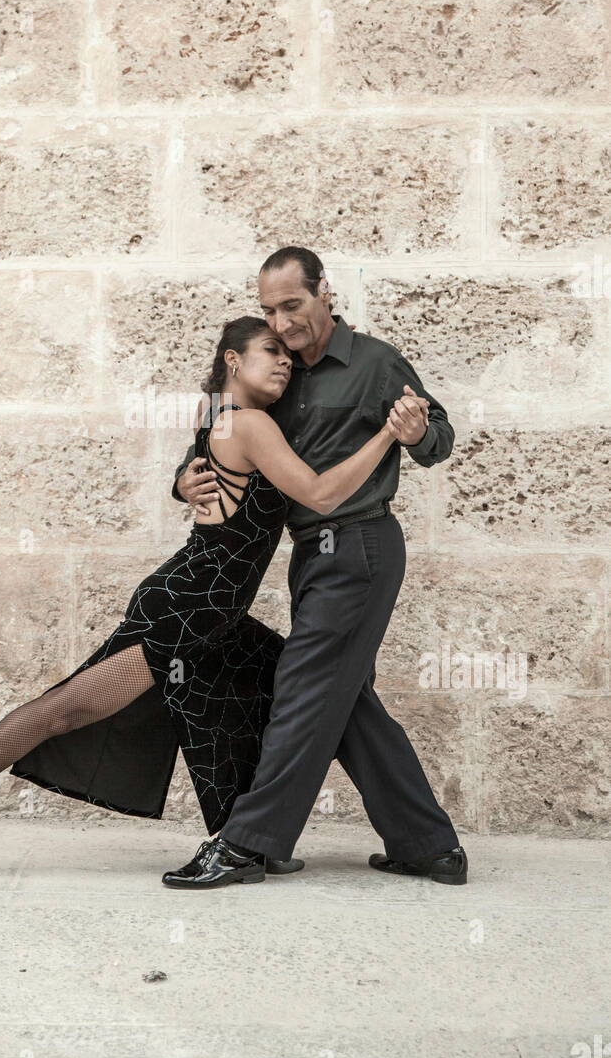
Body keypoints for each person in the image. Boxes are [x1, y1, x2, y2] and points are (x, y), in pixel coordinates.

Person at [0, 315, 408, 885]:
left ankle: (250, 839)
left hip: (216, 612)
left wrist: (181, 482)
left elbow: (207, 469)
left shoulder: (216, 411)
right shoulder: (251, 423)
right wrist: (388, 433)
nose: (284, 360)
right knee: (65, 709)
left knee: (273, 693)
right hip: (185, 608)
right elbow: (319, 494)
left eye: (288, 352)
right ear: (233, 360)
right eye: (270, 349)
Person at [163, 245, 467, 890]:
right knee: (345, 699)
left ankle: (246, 844)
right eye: (269, 310)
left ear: (324, 291)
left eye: (292, 305)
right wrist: (183, 480)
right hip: (309, 554)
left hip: (359, 545)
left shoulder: (376, 362)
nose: (281, 322)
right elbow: (221, 430)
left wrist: (415, 431)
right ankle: (429, 847)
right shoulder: (275, 369)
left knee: (303, 690)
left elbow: (438, 438)